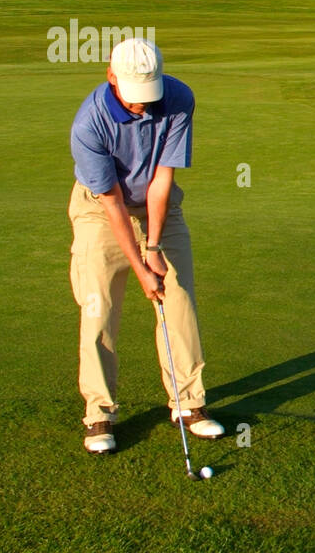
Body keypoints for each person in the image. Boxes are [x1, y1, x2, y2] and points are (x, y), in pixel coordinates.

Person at [68, 37, 224, 453]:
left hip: (159, 205)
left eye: (148, 95)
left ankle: (189, 403)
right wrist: (140, 268)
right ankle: (100, 414)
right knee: (99, 306)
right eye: (134, 97)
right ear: (111, 77)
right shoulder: (89, 124)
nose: (142, 106)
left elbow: (161, 180)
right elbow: (113, 203)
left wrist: (152, 248)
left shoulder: (177, 97)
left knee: (178, 299)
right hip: (102, 210)